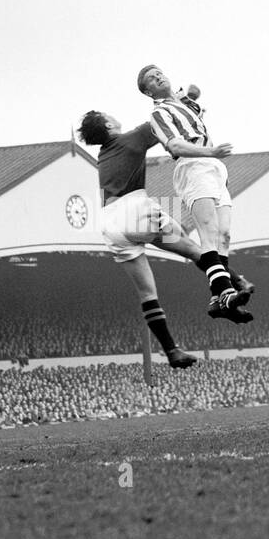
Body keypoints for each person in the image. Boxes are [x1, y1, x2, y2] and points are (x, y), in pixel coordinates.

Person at [78, 108, 219, 370]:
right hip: (134, 207)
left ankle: (172, 351)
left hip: (110, 221)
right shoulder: (130, 138)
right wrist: (188, 103)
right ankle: (235, 283)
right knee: (195, 250)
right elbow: (161, 124)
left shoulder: (103, 155)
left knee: (146, 292)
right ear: (108, 124)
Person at [137, 65, 254, 322]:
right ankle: (225, 293)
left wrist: (189, 94)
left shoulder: (181, 103)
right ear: (148, 92)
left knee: (224, 235)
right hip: (193, 164)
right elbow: (176, 144)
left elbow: (195, 103)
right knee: (209, 233)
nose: (158, 77)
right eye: (151, 79)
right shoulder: (159, 113)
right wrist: (211, 152)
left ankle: (219, 300)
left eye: (159, 73)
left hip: (214, 167)